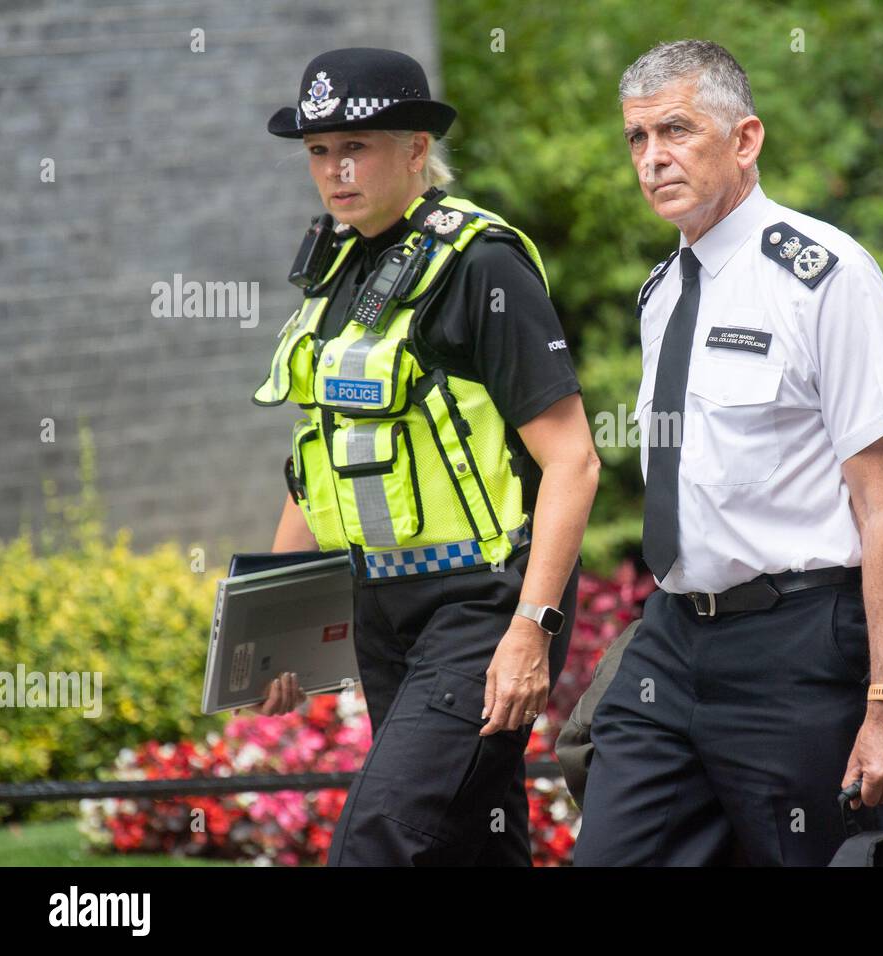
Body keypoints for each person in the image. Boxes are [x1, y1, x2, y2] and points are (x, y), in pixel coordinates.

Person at [572, 40, 883, 866]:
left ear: (746, 139)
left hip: (796, 645)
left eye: (676, 130)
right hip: (673, 639)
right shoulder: (662, 294)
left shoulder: (827, 277)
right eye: (636, 139)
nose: (653, 158)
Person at [252, 47, 600, 866]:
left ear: (415, 148)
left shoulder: (482, 265)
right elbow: (321, 455)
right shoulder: (340, 264)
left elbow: (576, 461)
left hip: (480, 604)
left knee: (381, 839)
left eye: (357, 146)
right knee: (467, 845)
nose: (335, 170)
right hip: (381, 607)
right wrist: (276, 622)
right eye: (318, 150)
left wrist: (530, 628)